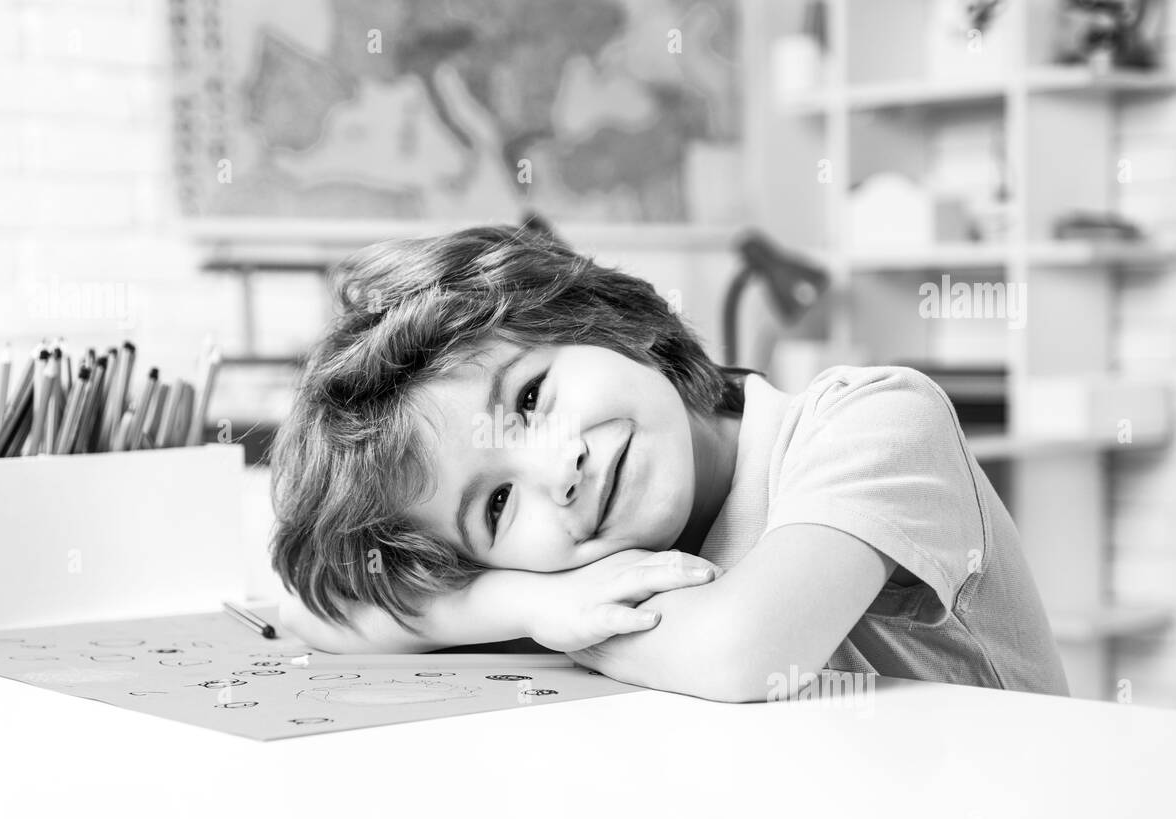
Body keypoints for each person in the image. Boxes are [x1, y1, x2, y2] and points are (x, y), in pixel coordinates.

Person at [270, 224, 1069, 702]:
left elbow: (744, 651)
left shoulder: (873, 420)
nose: (558, 473)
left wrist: (560, 620)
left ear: (607, 323)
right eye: (496, 505)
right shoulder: (584, 580)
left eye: (530, 397)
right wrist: (522, 606)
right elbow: (320, 608)